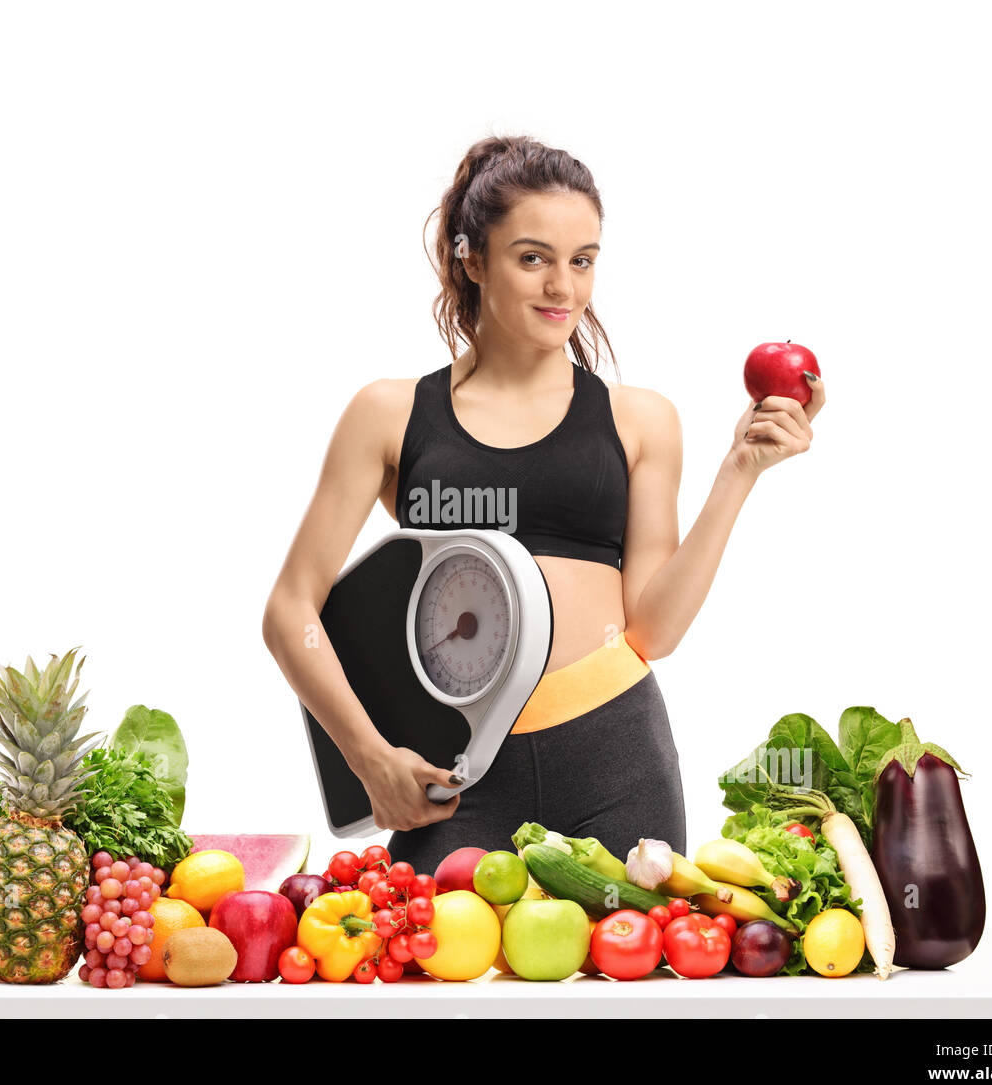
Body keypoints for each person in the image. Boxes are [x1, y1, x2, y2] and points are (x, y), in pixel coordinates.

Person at [262, 134, 824, 873]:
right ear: (472, 259)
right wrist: (369, 759)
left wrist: (739, 472)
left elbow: (653, 631)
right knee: (441, 981)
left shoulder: (641, 420)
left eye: (582, 260)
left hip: (617, 760)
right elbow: (291, 610)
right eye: (533, 258)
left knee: (626, 984)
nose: (563, 286)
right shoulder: (389, 413)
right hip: (461, 776)